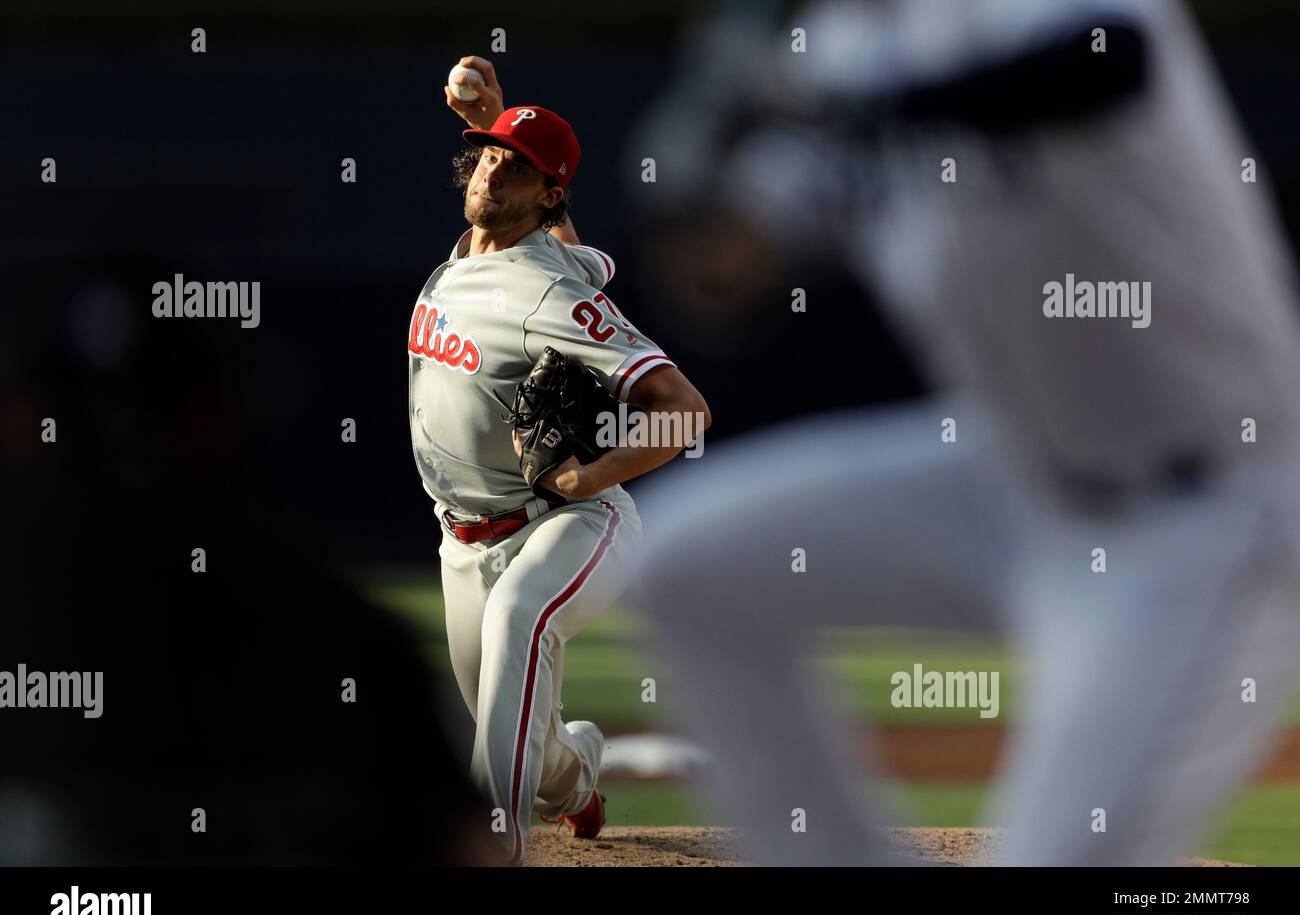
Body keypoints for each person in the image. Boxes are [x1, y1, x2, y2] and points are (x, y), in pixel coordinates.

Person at [630, 0, 1300, 865]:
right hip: (1012, 474)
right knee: (690, 566)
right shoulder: (836, 55)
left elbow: (1107, 63)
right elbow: (725, 273)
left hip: (1206, 509)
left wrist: (850, 104)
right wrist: (687, 173)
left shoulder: (1013, 19)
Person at [411, 57, 710, 864]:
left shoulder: (554, 294)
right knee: (517, 733)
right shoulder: (482, 247)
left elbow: (685, 412)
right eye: (489, 156)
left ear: (549, 196)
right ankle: (574, 777)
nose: (492, 172)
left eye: (517, 168)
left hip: (570, 521)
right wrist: (502, 118)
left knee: (521, 617)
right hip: (462, 541)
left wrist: (583, 478)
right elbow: (557, 237)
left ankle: (493, 848)